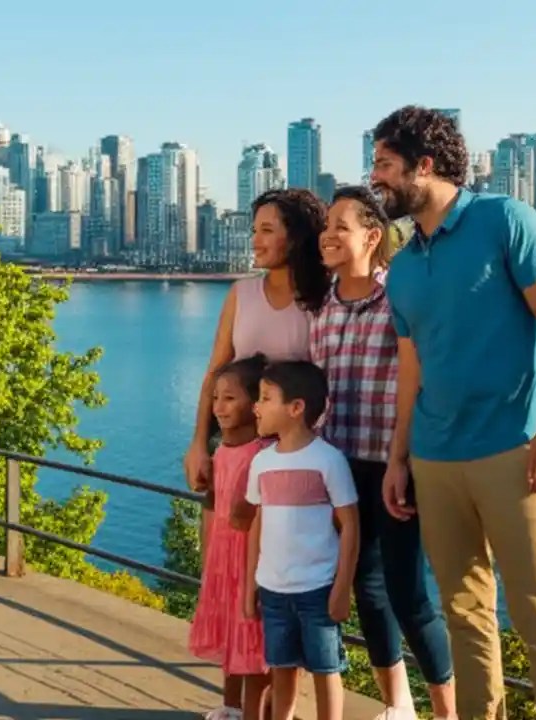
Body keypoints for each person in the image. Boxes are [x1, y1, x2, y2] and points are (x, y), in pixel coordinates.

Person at [370, 105, 536, 720]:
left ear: (424, 165)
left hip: (513, 451)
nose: (376, 179)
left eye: (385, 165)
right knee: (464, 615)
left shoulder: (505, 220)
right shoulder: (403, 266)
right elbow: (410, 369)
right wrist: (398, 457)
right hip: (435, 459)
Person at [311, 185, 458, 720]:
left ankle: (448, 711)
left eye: (340, 226)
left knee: (408, 593)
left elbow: (421, 379)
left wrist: (406, 458)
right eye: (325, 226)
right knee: (365, 588)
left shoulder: (399, 295)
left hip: (394, 462)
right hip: (339, 464)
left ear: (373, 236)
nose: (327, 235)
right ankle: (399, 706)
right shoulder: (322, 305)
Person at [183, 187, 330, 712]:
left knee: (273, 592)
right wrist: (199, 442)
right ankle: (232, 705)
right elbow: (214, 372)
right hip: (231, 464)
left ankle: (271, 708)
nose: (257, 240)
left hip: (291, 475)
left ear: (297, 238)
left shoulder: (320, 301)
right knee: (225, 582)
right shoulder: (240, 295)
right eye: (255, 230)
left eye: (268, 230)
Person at [243, 361, 359, 720]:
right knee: (281, 669)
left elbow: (351, 525)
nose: (256, 406)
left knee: (326, 670)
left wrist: (342, 589)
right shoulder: (261, 463)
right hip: (274, 590)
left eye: (265, 398)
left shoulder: (328, 460)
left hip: (317, 590)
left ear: (296, 408)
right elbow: (256, 527)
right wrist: (250, 587)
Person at [189, 354, 275, 720]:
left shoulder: (262, 454)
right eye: (215, 398)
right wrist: (207, 558)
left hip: (251, 562)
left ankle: (259, 712)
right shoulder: (221, 451)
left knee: (253, 641)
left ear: (255, 405)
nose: (219, 407)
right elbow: (211, 507)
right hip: (223, 562)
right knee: (230, 634)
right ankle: (231, 705)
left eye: (229, 398)